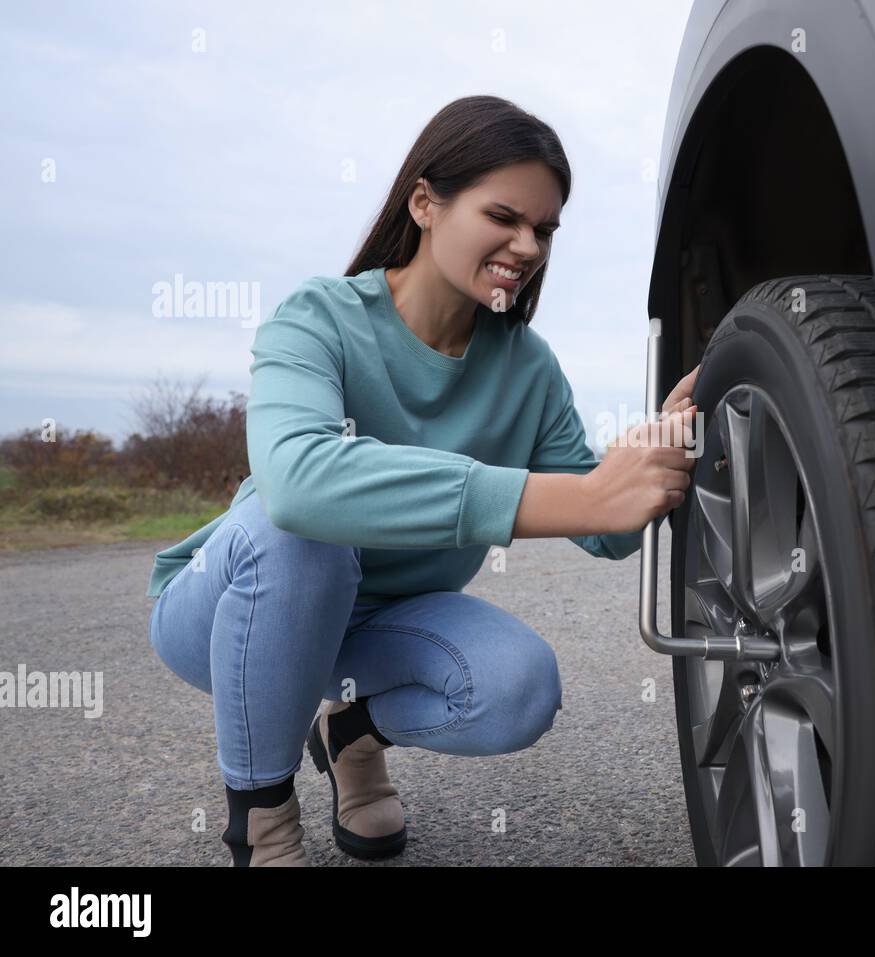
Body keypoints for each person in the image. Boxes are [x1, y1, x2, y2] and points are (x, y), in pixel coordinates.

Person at [145, 95, 700, 866]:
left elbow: (604, 529)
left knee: (519, 685)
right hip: (226, 615)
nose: (527, 244)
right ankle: (263, 821)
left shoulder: (527, 367)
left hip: (374, 632)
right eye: (503, 215)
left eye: (544, 228)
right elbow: (300, 485)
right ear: (425, 203)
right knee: (301, 532)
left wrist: (655, 452)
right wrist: (567, 495)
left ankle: (350, 731)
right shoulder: (317, 318)